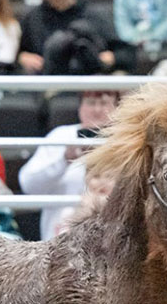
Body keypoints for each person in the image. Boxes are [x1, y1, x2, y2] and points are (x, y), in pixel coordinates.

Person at [18, 90, 119, 241]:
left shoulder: (126, 140)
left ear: (117, 108)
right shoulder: (61, 136)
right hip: (59, 239)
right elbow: (28, 185)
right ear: (80, 107)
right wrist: (64, 159)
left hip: (113, 236)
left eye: (104, 103)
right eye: (91, 103)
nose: (97, 110)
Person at [17, 0, 135, 75]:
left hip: (90, 82)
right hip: (47, 82)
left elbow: (127, 54)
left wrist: (111, 58)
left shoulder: (94, 16)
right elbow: (15, 54)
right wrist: (22, 58)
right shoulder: (32, 18)